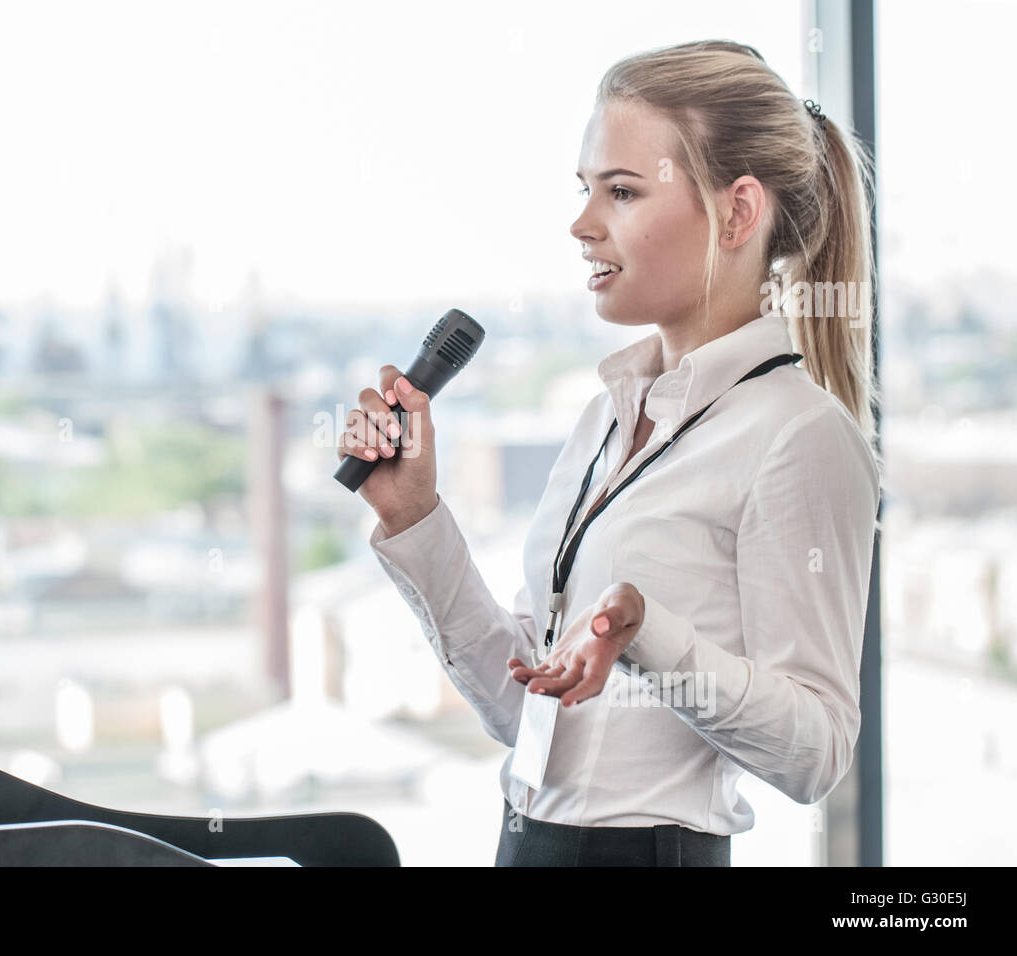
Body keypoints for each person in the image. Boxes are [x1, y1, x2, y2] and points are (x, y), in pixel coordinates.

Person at [336, 39, 883, 866]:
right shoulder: (604, 419)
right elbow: (525, 712)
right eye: (586, 189)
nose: (582, 224)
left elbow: (815, 752)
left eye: (621, 192)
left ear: (737, 213)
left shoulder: (799, 437)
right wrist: (413, 515)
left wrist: (646, 633)